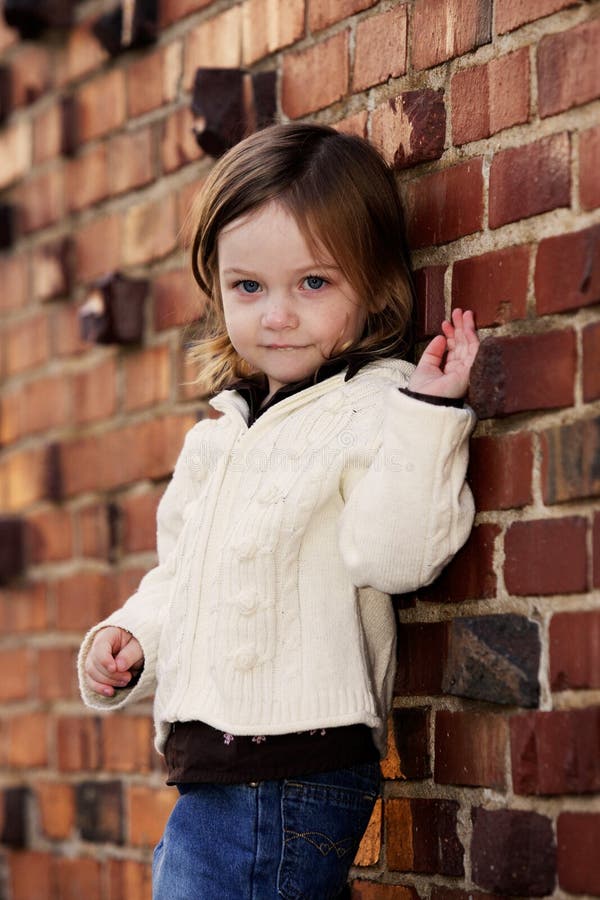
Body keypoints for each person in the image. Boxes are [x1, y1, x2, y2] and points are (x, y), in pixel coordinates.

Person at [78, 122, 480, 900]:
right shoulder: (217, 440)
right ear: (218, 286)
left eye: (314, 284)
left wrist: (430, 415)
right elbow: (181, 583)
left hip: (289, 766)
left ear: (373, 285)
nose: (278, 314)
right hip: (213, 769)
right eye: (249, 287)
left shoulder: (373, 407)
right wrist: (130, 640)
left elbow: (393, 556)